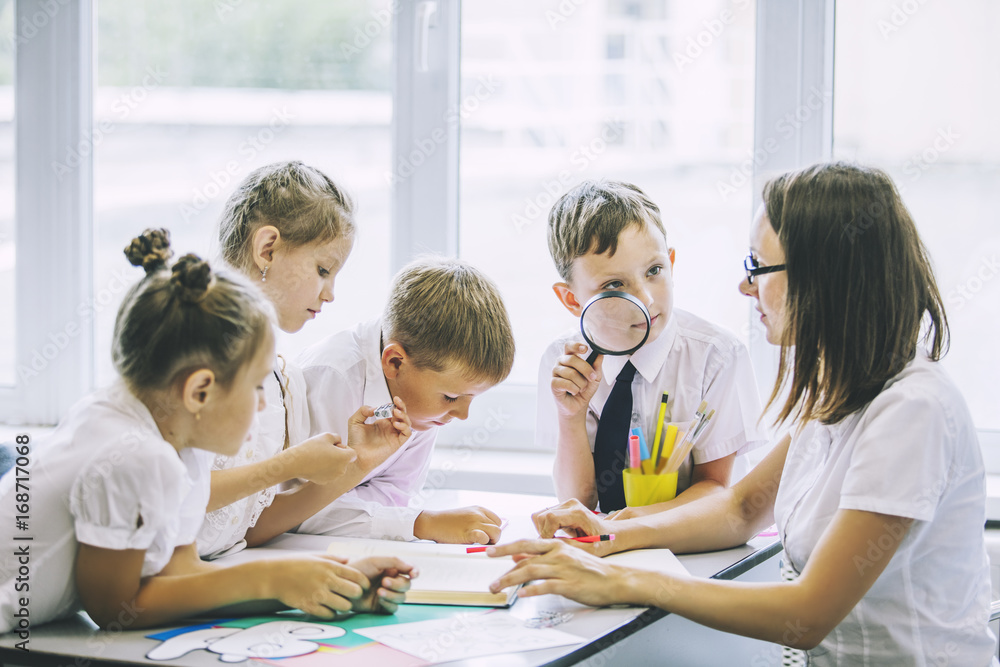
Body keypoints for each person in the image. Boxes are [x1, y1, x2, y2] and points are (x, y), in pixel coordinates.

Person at [489, 163, 998, 665]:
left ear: (821, 277)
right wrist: (608, 533)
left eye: (757, 267)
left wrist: (622, 579)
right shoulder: (840, 391)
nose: (745, 287)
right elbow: (740, 511)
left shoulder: (912, 410)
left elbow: (810, 611)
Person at [0, 230, 413, 632]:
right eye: (255, 387)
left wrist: (322, 583)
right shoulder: (133, 454)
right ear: (199, 391)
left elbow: (183, 575)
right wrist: (275, 580)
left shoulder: (176, 442)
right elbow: (116, 609)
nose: (264, 404)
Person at [199, 161, 411, 559]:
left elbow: (253, 527)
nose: (330, 294)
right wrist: (287, 465)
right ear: (267, 249)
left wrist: (357, 465)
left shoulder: (282, 383)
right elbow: (171, 498)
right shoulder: (191, 352)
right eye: (322, 270)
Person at [539, 180, 766, 513]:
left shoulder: (716, 357)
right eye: (615, 284)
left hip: (697, 550)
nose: (645, 299)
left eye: (654, 271)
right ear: (572, 299)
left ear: (671, 264)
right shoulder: (564, 363)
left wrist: (626, 528)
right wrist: (570, 416)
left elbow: (715, 488)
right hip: (604, 551)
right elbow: (578, 501)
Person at [296, 257, 516, 544]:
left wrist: (372, 512)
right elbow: (296, 508)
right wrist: (422, 523)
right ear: (396, 362)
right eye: (451, 397)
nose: (462, 414)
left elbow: (395, 493)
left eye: (471, 398)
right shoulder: (333, 378)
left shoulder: (423, 401)